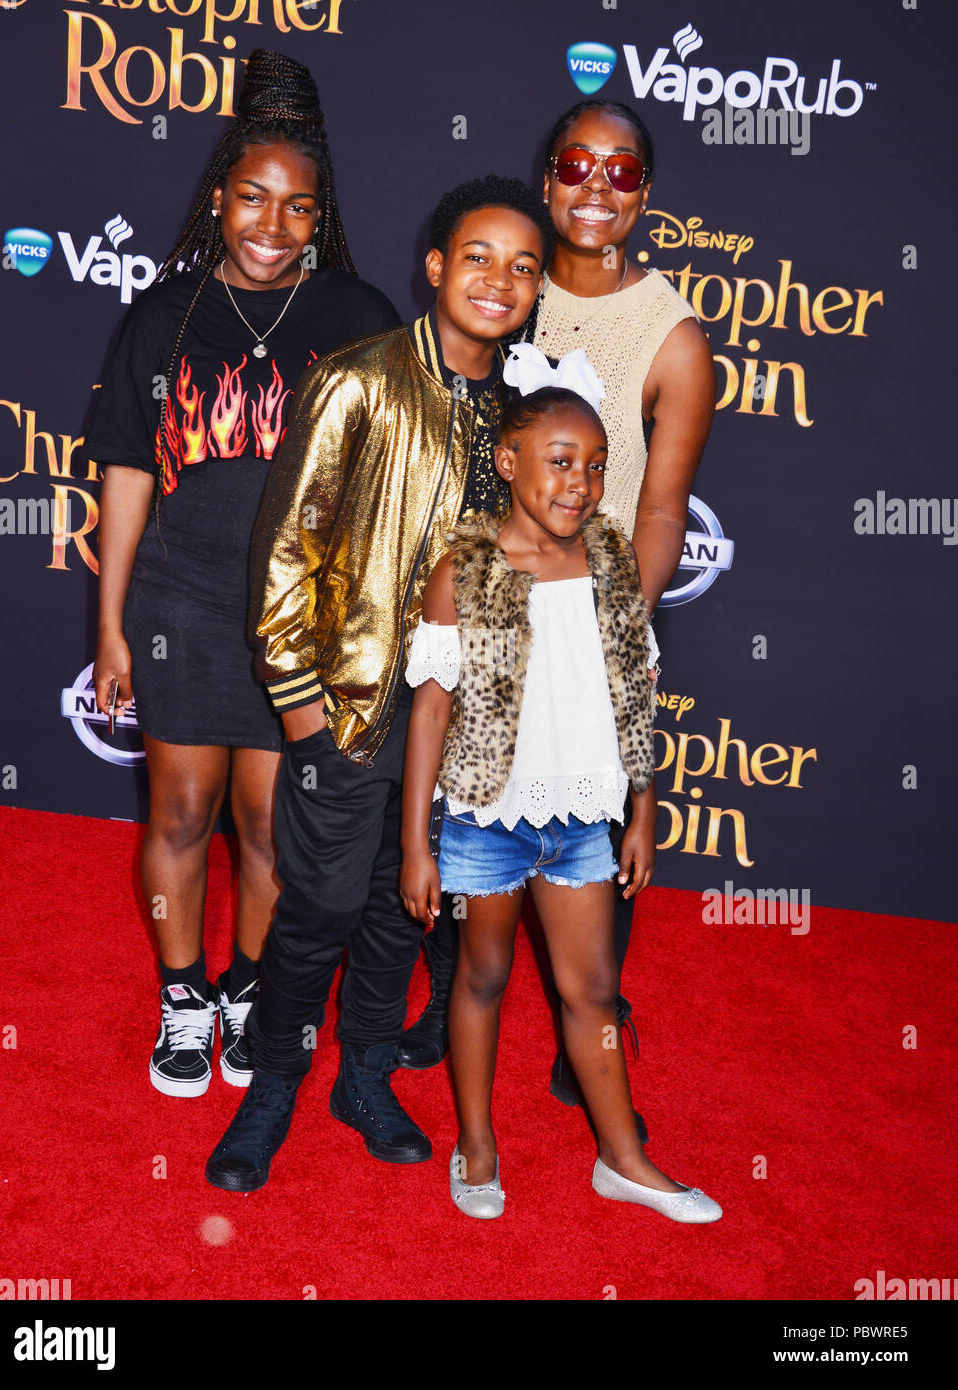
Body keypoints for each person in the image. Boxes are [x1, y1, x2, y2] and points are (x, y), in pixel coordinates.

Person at [203, 176, 554, 1193]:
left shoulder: (519, 417)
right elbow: (284, 551)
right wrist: (305, 711)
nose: (499, 280)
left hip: (462, 724)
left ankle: (363, 1075)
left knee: (406, 913)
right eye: (478, 257)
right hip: (347, 713)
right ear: (435, 266)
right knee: (312, 909)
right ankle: (271, 1085)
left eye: (522, 266)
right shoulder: (356, 381)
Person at [87, 50, 400, 1100]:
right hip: (178, 598)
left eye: (296, 207)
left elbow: (383, 485)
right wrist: (112, 623)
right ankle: (183, 999)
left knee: (271, 824)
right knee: (179, 814)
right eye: (253, 198)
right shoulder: (163, 314)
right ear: (219, 196)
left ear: (320, 215)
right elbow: (128, 471)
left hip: (297, 620)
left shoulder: (359, 317)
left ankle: (248, 986)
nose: (272, 223)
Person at [399, 101, 715, 1121]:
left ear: (645, 196)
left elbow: (662, 508)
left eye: (621, 172)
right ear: (545, 179)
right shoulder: (510, 288)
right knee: (473, 807)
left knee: (585, 825)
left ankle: (589, 1028)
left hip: (589, 611)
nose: (595, 186)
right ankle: (454, 995)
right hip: (479, 603)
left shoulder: (672, 341)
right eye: (576, 164)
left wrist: (610, 621)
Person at [398, 372, 721, 1223]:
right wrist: (416, 847)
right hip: (483, 821)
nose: (579, 483)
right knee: (482, 977)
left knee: (591, 992)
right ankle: (476, 1142)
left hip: (582, 818)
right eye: (560, 460)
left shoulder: (614, 564)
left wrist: (641, 813)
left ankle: (623, 1159)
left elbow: (636, 698)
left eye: (596, 466)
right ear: (508, 461)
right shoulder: (463, 572)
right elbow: (430, 712)